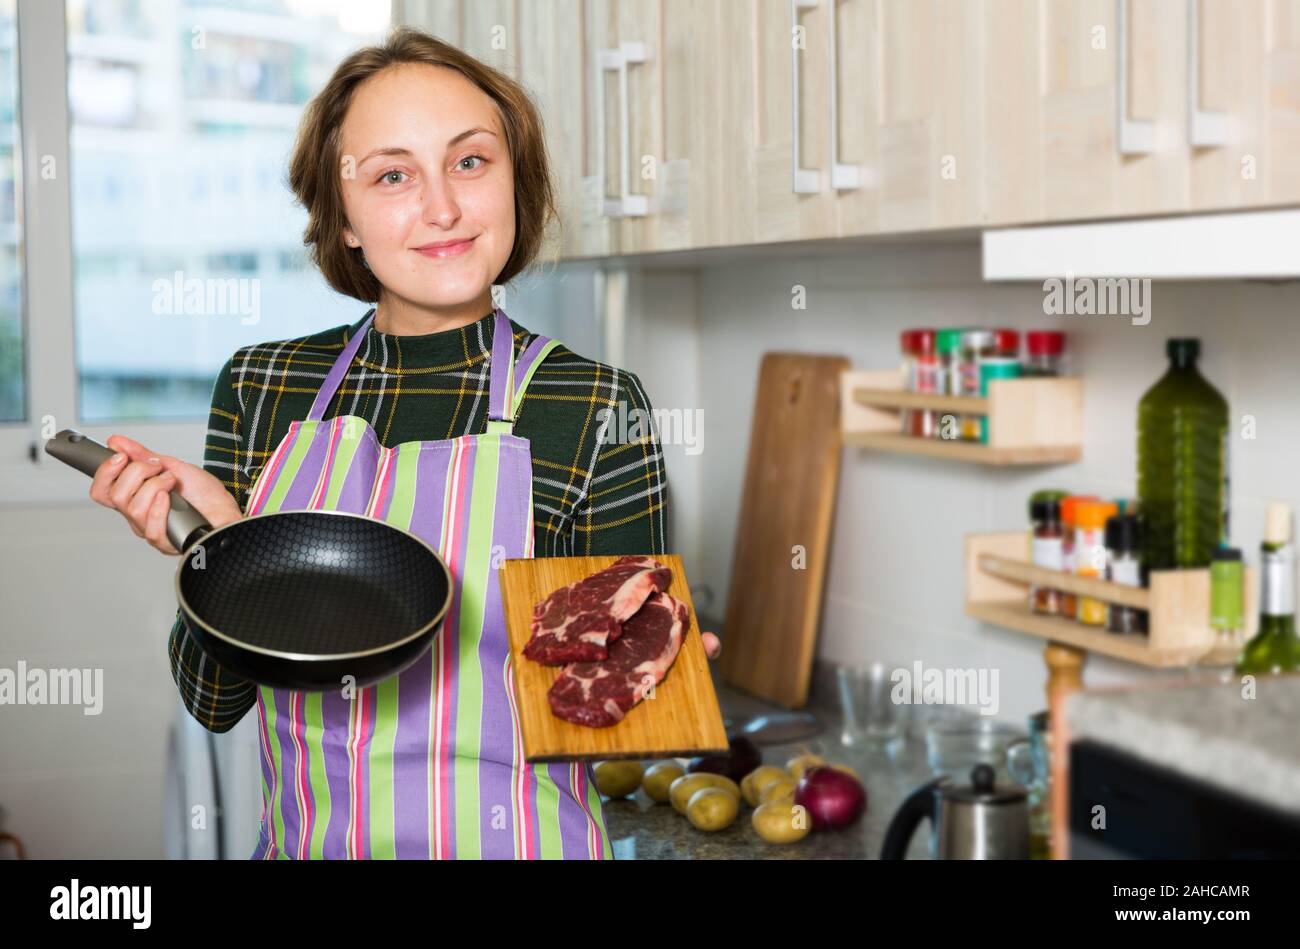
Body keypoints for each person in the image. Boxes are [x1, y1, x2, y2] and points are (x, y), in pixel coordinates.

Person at [89, 27, 719, 859]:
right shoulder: (263, 387)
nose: (443, 208)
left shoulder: (594, 403)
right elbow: (215, 701)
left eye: (470, 162)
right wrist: (218, 545)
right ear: (343, 219)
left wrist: (662, 677)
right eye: (393, 175)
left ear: (515, 183)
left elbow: (613, 744)